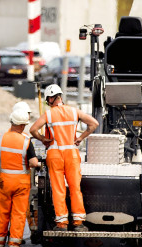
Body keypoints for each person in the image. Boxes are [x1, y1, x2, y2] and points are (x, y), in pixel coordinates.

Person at [29, 84, 99, 232]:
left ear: (51, 98)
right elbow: (94, 124)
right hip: (72, 154)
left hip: (55, 155)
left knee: (58, 189)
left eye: (48, 99)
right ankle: (79, 223)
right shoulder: (74, 112)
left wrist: (43, 139)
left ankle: (61, 224)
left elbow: (33, 129)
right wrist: (81, 137)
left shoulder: (48, 114)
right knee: (75, 188)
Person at [0, 101, 40, 247]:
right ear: (23, 125)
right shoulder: (26, 142)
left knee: (2, 214)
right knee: (18, 215)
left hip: (4, 182)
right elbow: (33, 163)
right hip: (21, 184)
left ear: (11, 122)